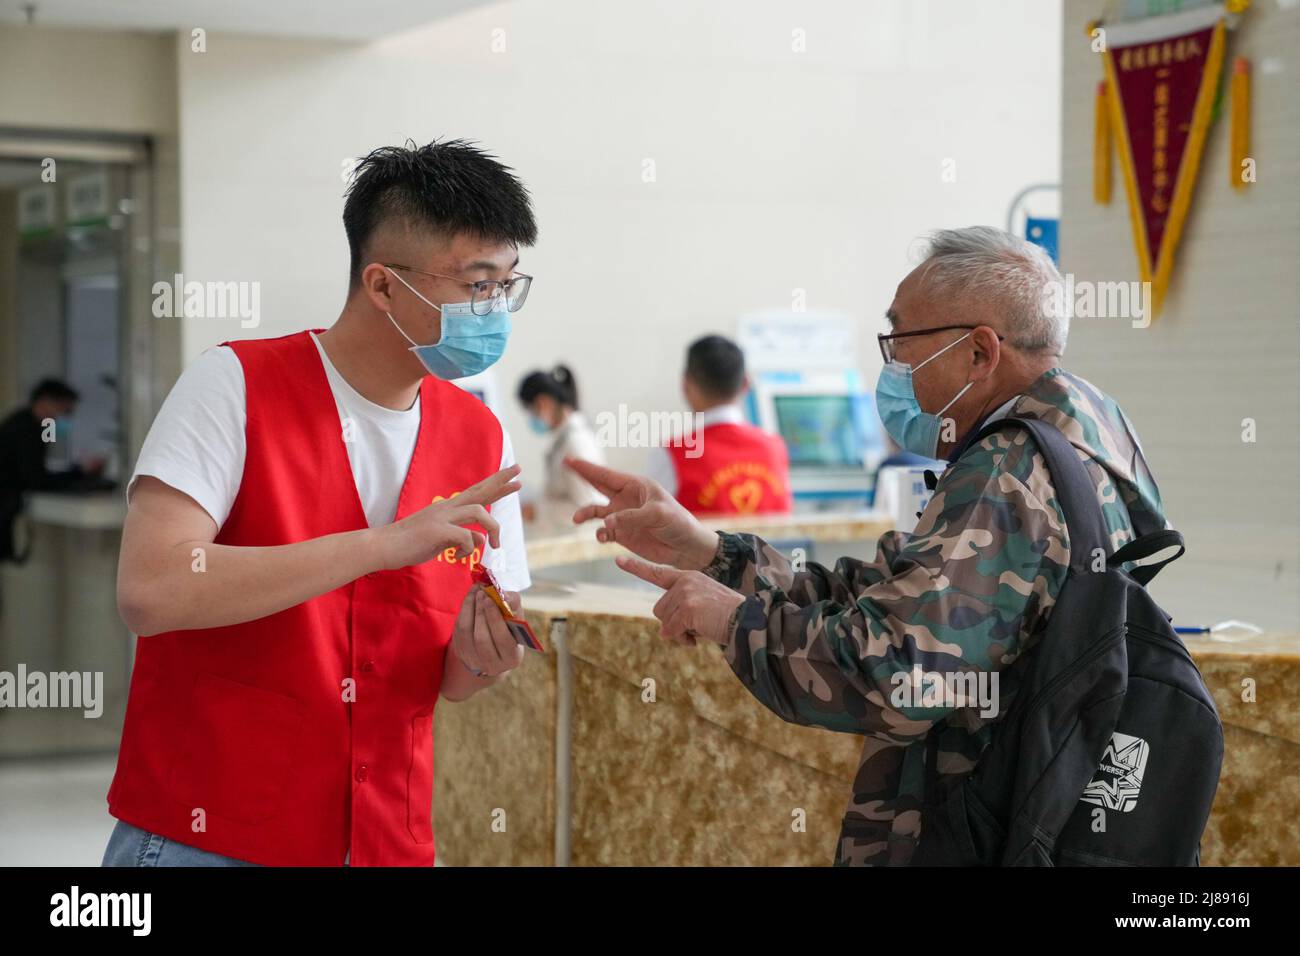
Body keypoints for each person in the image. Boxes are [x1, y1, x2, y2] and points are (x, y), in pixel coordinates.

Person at [566, 226, 1167, 866]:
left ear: (980, 352)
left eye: (901, 341)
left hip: (974, 835)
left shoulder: (1006, 471)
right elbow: (892, 592)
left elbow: (896, 678)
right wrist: (711, 550)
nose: (893, 369)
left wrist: (731, 620)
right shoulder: (1088, 424)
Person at [102, 139, 538, 867]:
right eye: (476, 284)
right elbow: (151, 590)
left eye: (507, 285)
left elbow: (457, 679)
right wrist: (383, 545)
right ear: (383, 285)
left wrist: (484, 658)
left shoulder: (480, 438)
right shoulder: (235, 386)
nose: (494, 308)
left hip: (382, 837)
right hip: (211, 833)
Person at [645, 335, 792, 516]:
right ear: (745, 384)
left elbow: (649, 526)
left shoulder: (671, 454)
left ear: (685, 384)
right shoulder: (775, 447)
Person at [0, 379, 107, 563]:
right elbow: (37, 479)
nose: (63, 417)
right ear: (46, 402)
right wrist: (80, 472)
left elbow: (43, 462)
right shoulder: (25, 429)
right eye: (64, 410)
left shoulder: (34, 424)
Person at [516, 365, 606, 531]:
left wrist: (537, 511)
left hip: (584, 543)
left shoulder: (576, 442)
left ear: (542, 402)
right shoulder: (564, 440)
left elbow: (587, 507)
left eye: (530, 411)